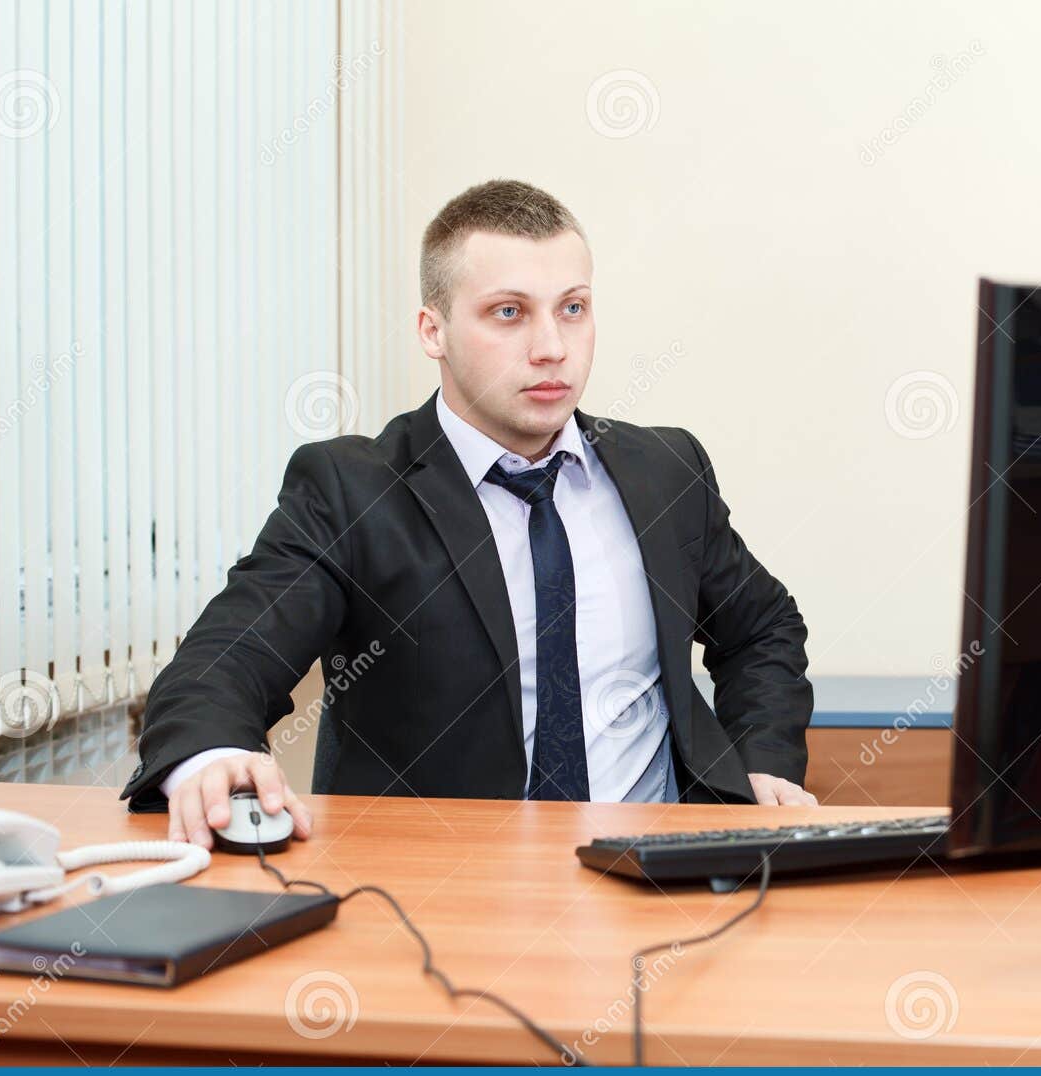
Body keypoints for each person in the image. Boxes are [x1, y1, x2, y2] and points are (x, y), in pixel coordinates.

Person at [122, 178, 816, 847]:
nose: (552, 347)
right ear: (434, 330)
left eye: (572, 307)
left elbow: (762, 628)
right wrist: (211, 756)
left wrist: (764, 759)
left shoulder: (666, 470)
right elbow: (224, 660)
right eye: (508, 312)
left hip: (660, 880)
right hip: (443, 896)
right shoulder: (352, 491)